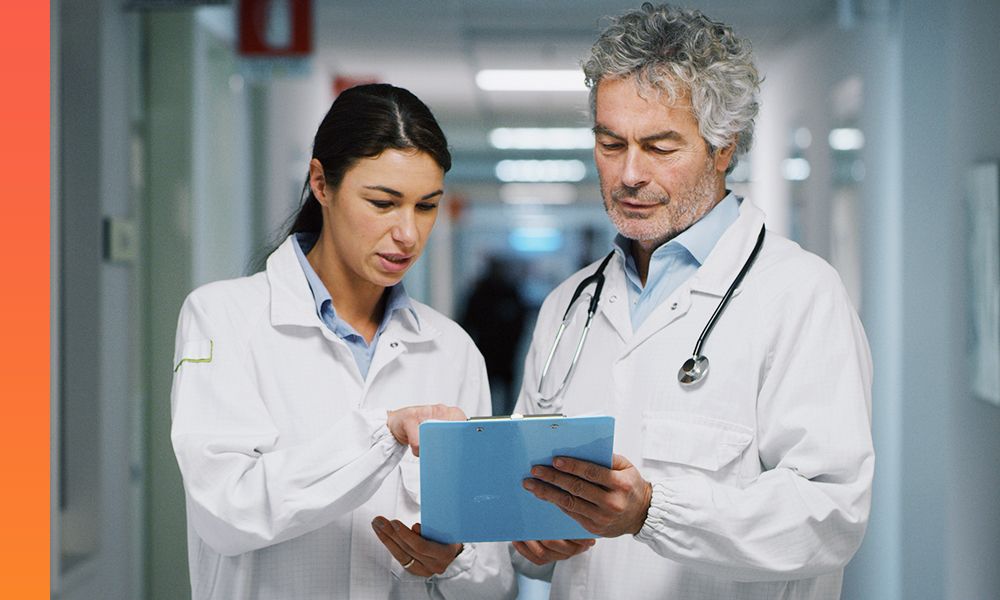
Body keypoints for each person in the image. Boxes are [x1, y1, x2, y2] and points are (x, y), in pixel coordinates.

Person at [511, 4, 874, 599]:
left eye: (659, 146)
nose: (628, 173)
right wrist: (532, 539)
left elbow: (830, 515)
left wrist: (654, 511)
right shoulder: (567, 308)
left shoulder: (800, 295)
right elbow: (531, 523)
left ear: (723, 147)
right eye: (610, 143)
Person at [170, 83, 515, 599]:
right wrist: (383, 432)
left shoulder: (452, 349)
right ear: (321, 184)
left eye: (426, 207)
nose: (408, 234)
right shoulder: (223, 318)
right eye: (382, 203)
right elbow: (226, 513)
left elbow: (494, 579)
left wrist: (453, 563)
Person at [459, 255, 528, 415]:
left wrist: (514, 343)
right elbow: (466, 323)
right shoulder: (479, 293)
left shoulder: (511, 292)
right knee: (484, 391)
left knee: (507, 394)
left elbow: (521, 322)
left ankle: (508, 418)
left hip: (506, 353)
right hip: (486, 351)